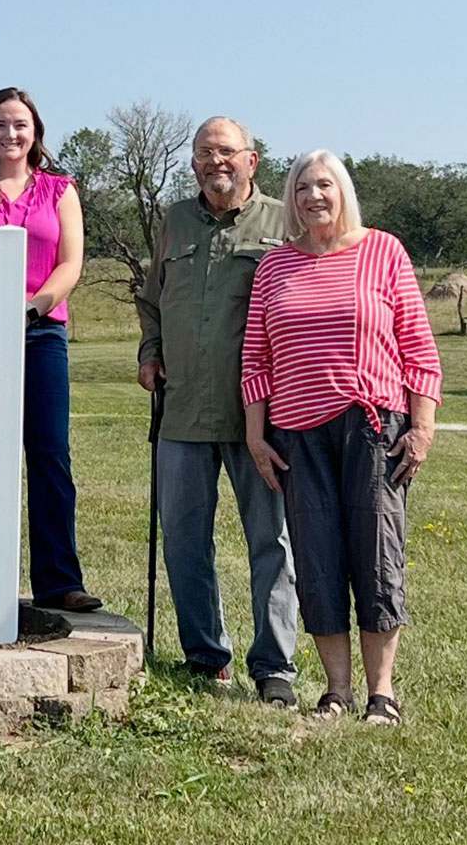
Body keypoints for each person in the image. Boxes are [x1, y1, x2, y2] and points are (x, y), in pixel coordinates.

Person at [242, 149, 441, 725]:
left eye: (324, 186)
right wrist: (258, 437)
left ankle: (383, 694)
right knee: (317, 556)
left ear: (343, 191)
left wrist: (422, 427)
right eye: (302, 188)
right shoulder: (275, 267)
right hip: (297, 434)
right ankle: (337, 691)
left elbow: (419, 349)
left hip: (373, 426)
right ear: (291, 199)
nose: (313, 197)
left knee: (377, 554)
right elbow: (256, 360)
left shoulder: (382, 251)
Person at [135, 116, 300, 707]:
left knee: (271, 541)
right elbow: (151, 301)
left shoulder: (286, 219)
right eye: (205, 153)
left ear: (251, 160)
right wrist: (149, 353)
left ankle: (275, 665)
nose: (216, 162)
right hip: (181, 409)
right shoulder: (175, 220)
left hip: (260, 414)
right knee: (183, 539)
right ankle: (205, 655)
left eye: (227, 152)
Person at [0, 88, 100, 611]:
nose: (11, 134)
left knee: (50, 454)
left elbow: (71, 263)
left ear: (36, 133)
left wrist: (31, 307)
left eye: (21, 125)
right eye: (1, 125)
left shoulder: (60, 190)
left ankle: (60, 580)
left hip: (41, 334)